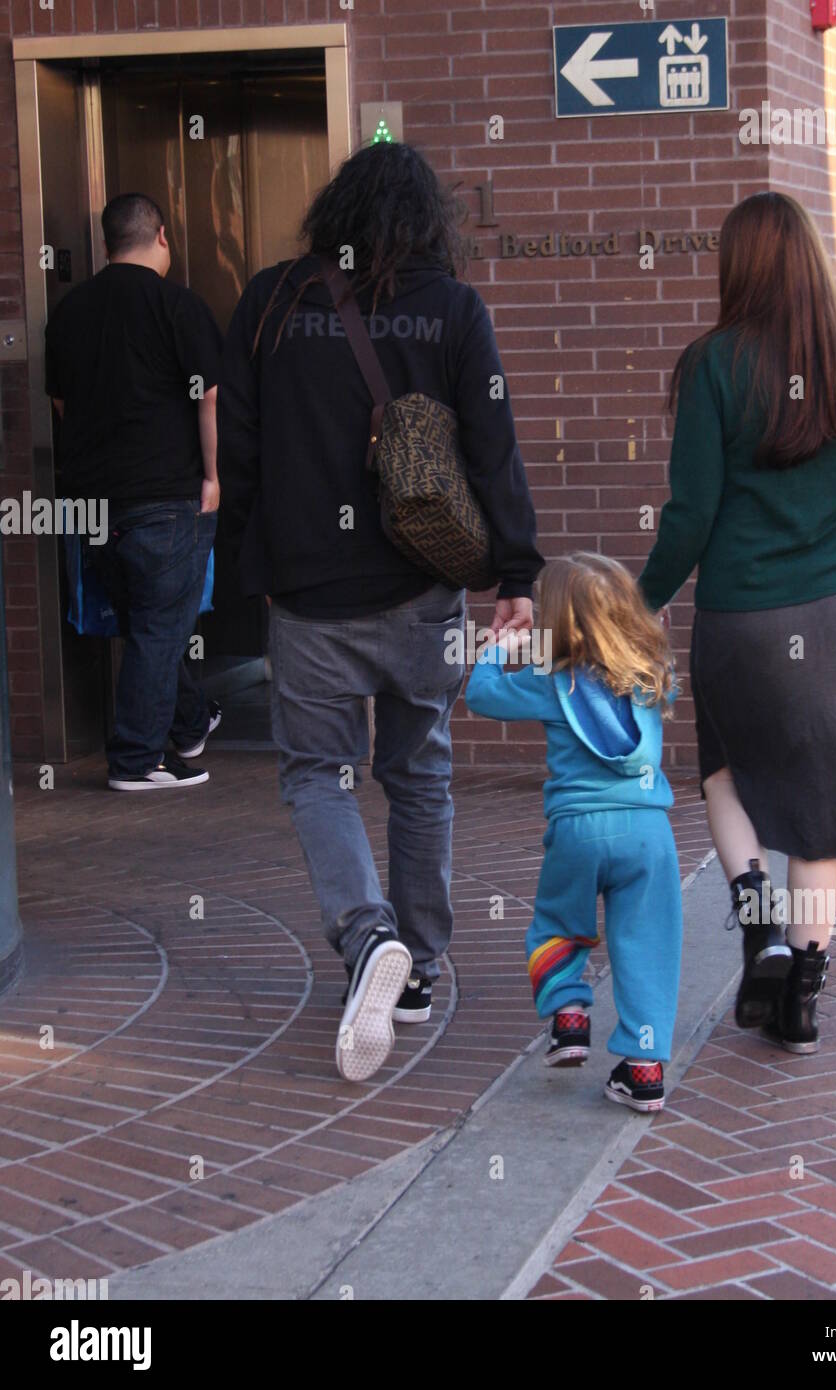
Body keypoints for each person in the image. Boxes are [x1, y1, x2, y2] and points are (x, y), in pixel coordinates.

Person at [218, 143, 543, 1083]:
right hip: (421, 590)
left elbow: (237, 444)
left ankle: (367, 939)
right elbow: (493, 446)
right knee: (419, 775)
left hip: (310, 593)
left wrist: (253, 560)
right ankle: (420, 967)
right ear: (427, 220)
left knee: (318, 774)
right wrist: (516, 571)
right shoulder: (452, 310)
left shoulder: (274, 301)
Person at [639, 191, 836, 1055]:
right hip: (830, 613)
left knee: (727, 780)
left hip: (737, 615)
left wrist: (639, 601)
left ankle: (757, 927)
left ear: (738, 266)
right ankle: (801, 995)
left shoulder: (711, 364)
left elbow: (689, 512)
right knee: (818, 809)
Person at [465, 554, 682, 1113]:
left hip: (577, 833)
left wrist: (498, 652)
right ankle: (645, 1069)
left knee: (558, 925)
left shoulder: (547, 680)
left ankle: (569, 1018)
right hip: (648, 833)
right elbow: (668, 684)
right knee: (648, 942)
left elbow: (481, 695)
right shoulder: (650, 673)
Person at [45, 193, 223, 791]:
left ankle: (193, 720)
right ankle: (137, 760)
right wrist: (213, 477)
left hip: (92, 503)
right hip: (165, 498)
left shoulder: (69, 312)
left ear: (107, 243)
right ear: (163, 237)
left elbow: (62, 404)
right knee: (159, 627)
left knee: (147, 625)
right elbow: (208, 396)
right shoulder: (179, 306)